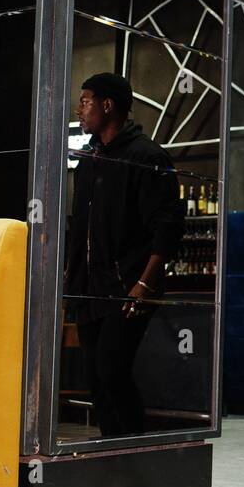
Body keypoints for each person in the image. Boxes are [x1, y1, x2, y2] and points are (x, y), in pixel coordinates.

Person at [66, 72, 184, 437]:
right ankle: (110, 452)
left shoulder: (146, 156)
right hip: (89, 288)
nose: (79, 109)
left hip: (128, 287)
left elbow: (168, 226)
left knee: (112, 370)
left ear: (107, 105)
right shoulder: (89, 159)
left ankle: (132, 451)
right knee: (96, 379)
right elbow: (79, 226)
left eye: (85, 101)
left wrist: (144, 283)